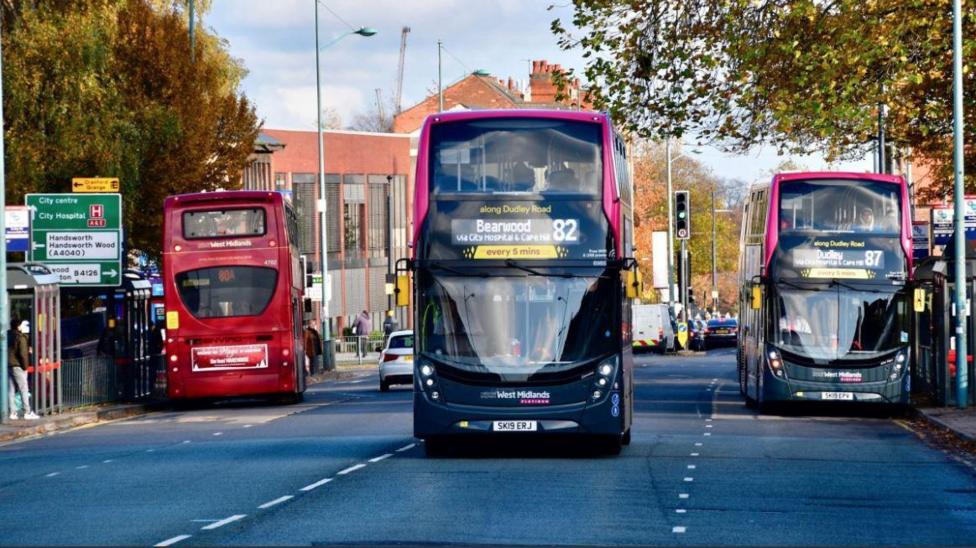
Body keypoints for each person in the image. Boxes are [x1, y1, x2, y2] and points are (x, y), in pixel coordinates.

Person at [8, 319, 38, 420]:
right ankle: (27, 412)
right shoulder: (21, 337)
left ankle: (12, 413)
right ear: (18, 327)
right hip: (18, 365)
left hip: (8, 365)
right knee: (24, 389)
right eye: (21, 325)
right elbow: (23, 354)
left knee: (10, 390)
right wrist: (25, 367)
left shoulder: (7, 335)